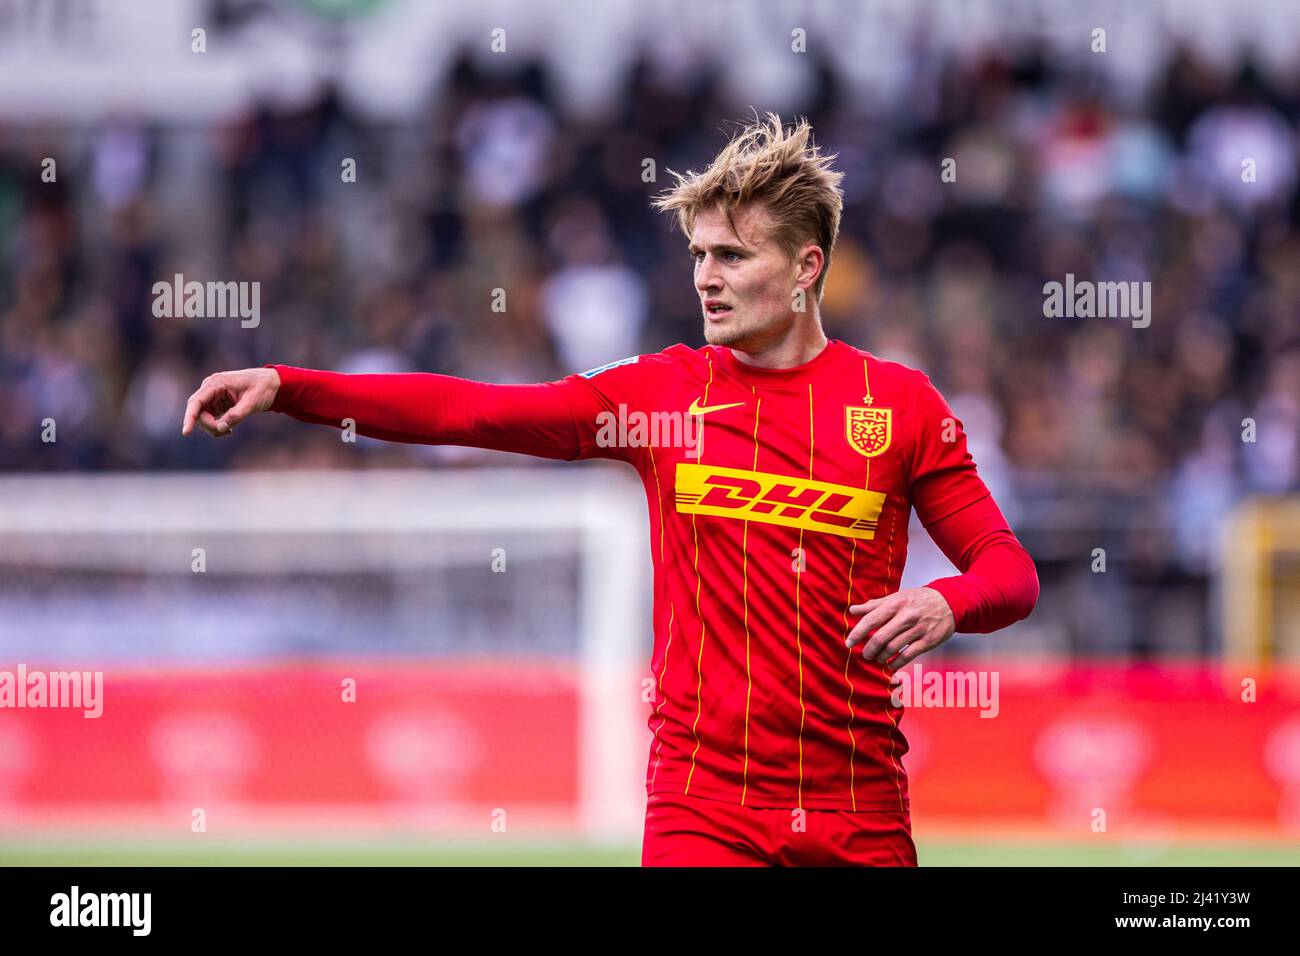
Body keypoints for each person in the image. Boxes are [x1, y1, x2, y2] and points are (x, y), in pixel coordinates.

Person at [182, 112, 1039, 866]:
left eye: (733, 256)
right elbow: (473, 412)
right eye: (699, 254)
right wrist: (291, 387)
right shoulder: (661, 396)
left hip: (858, 802)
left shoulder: (896, 406)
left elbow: (1009, 570)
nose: (706, 276)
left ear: (807, 266)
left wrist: (946, 604)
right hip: (704, 807)